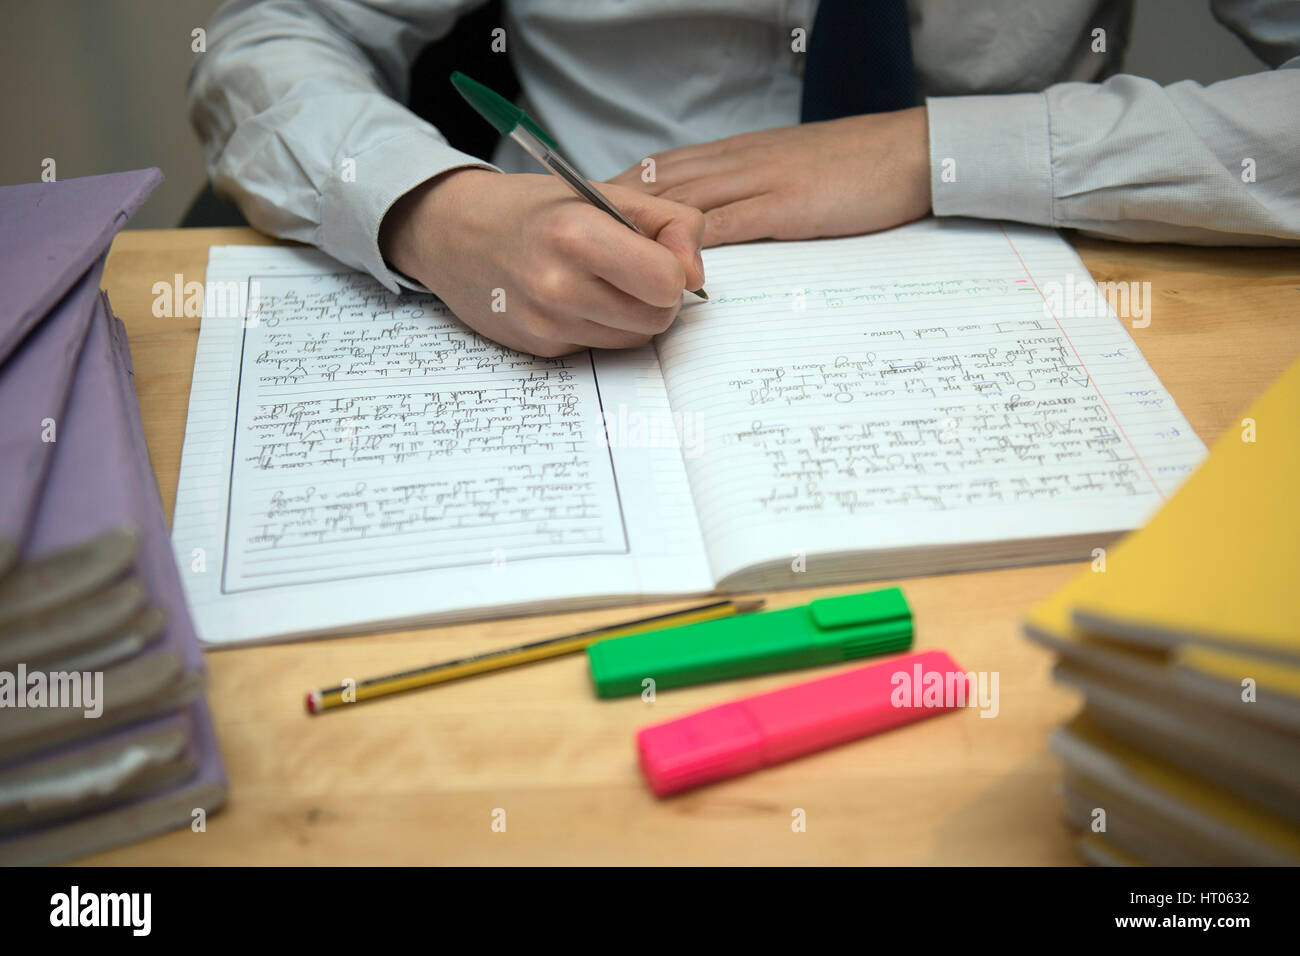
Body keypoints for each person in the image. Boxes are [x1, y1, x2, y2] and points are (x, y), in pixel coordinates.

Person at [189, 0, 1300, 356]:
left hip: (1039, 313)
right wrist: (433, 210)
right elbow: (273, 34)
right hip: (562, 310)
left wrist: (934, 148)